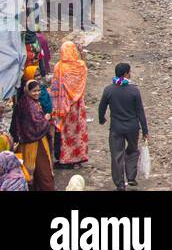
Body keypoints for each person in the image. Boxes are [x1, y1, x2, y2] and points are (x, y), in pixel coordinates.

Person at [98, 63, 148, 191]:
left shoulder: (109, 90)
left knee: (116, 155)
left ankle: (120, 184)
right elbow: (140, 112)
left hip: (116, 128)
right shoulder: (134, 91)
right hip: (132, 128)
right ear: (126, 74)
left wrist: (101, 119)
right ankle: (131, 177)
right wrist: (145, 130)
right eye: (129, 72)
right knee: (132, 151)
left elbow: (102, 107)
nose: (130, 74)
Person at [49, 41, 89, 168]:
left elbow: (55, 87)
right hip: (78, 105)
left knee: (65, 133)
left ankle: (65, 159)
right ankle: (78, 157)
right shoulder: (80, 66)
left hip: (64, 105)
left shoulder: (59, 67)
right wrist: (82, 54)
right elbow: (85, 68)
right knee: (78, 130)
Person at [9, 77, 54, 190]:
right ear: (27, 91)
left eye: (38, 90)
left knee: (33, 171)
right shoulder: (30, 105)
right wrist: (46, 119)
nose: (37, 93)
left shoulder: (25, 101)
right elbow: (37, 124)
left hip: (27, 143)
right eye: (34, 91)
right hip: (35, 144)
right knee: (44, 171)